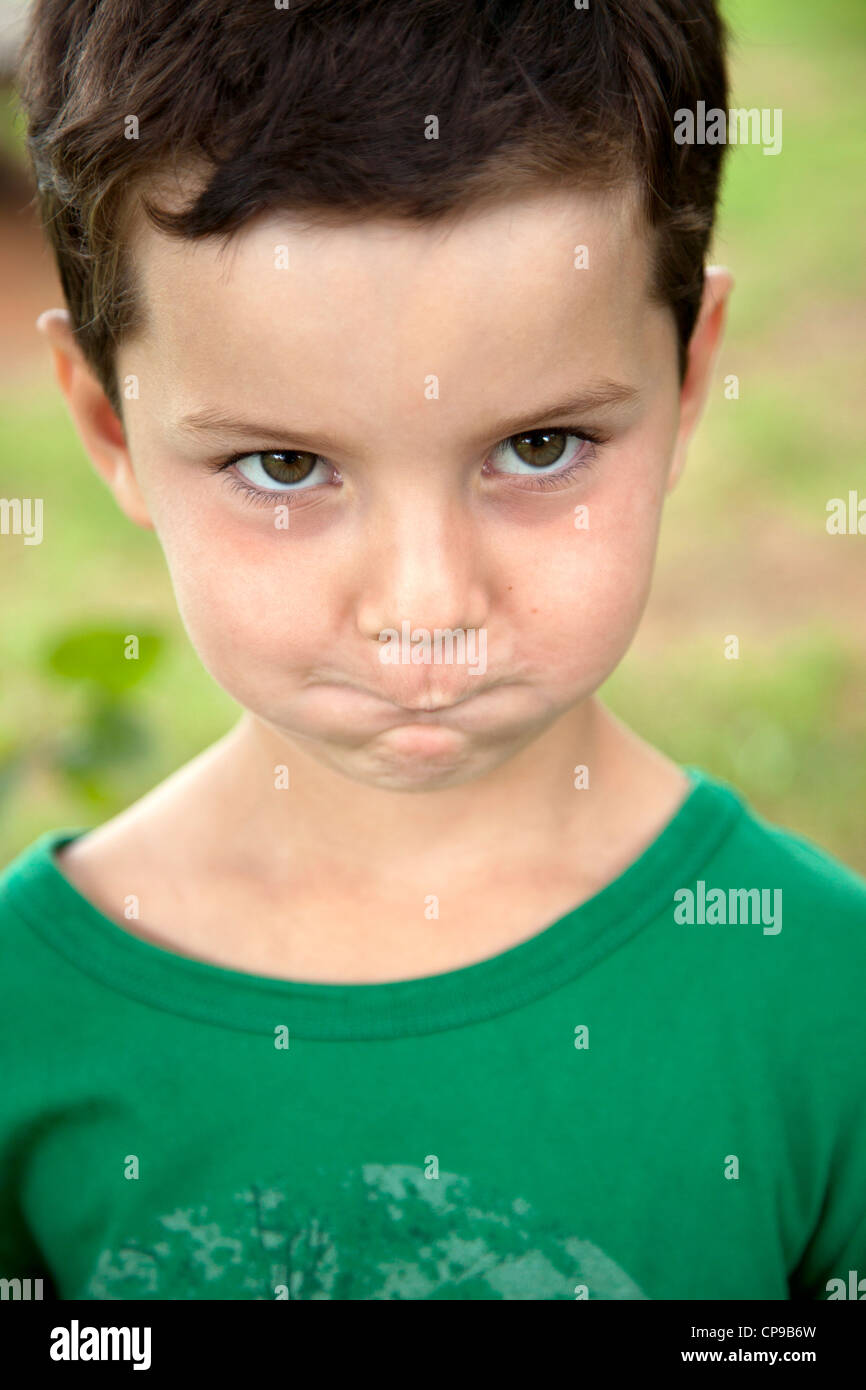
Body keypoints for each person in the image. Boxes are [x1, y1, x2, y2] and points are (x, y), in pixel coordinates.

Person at [1, 0, 863, 1300]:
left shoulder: (820, 997)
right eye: (282, 465)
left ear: (687, 379)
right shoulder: (26, 1017)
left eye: (537, 448)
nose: (423, 607)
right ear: (107, 424)